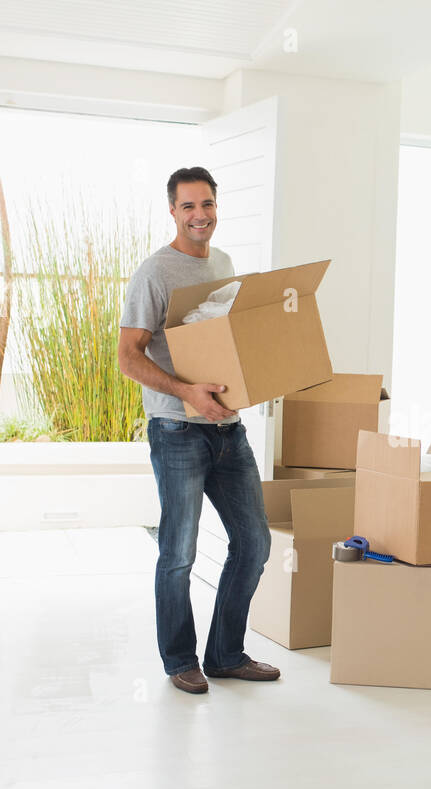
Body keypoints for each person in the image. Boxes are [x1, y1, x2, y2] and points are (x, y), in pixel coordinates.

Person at [117, 166, 279, 694]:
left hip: (229, 429)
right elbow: (127, 357)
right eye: (188, 206)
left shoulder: (225, 264)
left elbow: (225, 344)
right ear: (172, 211)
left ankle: (227, 654)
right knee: (180, 551)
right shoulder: (155, 273)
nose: (199, 215)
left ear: (216, 206)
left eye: (206, 204)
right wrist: (185, 391)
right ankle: (180, 659)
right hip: (177, 429)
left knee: (253, 543)